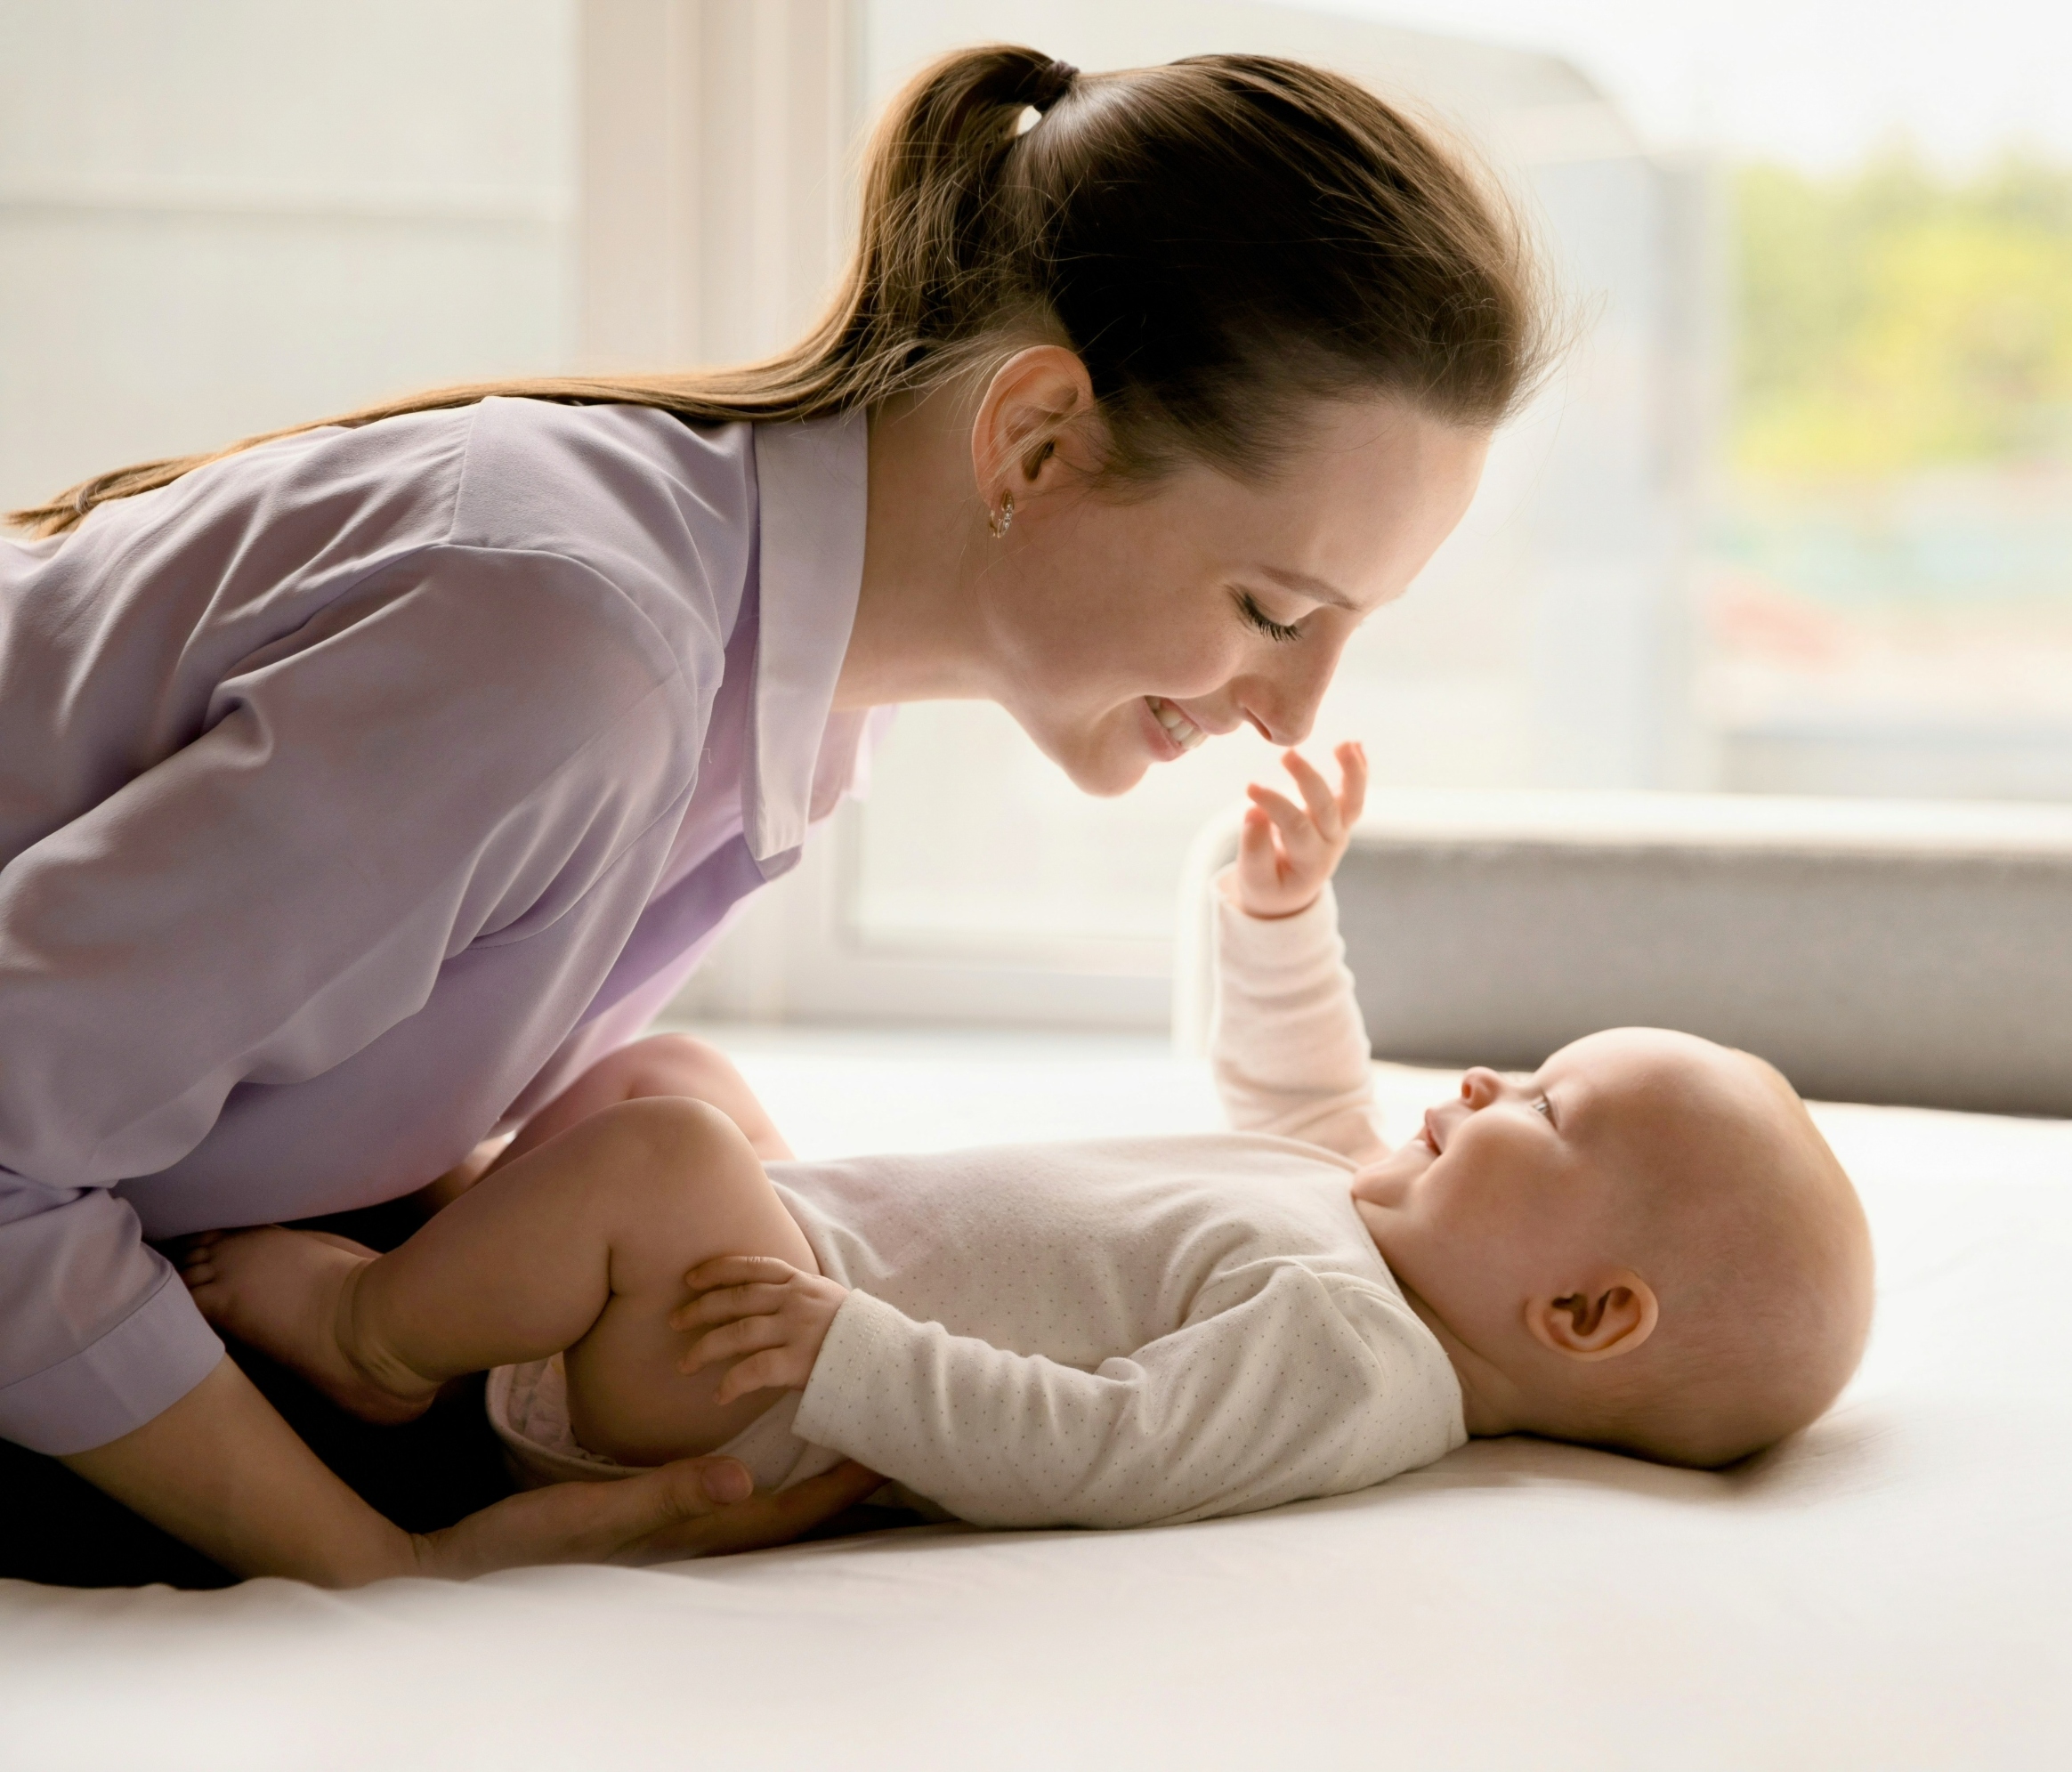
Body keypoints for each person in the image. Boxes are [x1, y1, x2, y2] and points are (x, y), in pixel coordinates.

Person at [0, 46, 1558, 1584]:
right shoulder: (576, 658)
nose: (1296, 714)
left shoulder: (778, 703)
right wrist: (398, 1569)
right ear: (1034, 439)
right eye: (1276, 611)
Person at [181, 745, 1874, 1570]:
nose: (1497, 1079)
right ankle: (496, 1245)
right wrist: (1278, 915)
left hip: (761, 1380)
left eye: (1551, 1110)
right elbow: (1296, 1093)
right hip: (793, 1288)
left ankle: (384, 1339)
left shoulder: (1355, 1364)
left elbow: (1098, 1448)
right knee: (672, 1076)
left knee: (670, 1153)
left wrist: (854, 1354)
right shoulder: (1370, 1217)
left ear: (1584, 1315)